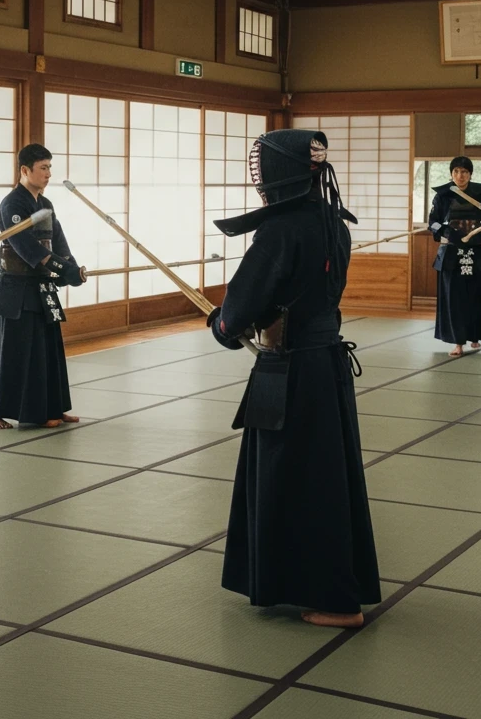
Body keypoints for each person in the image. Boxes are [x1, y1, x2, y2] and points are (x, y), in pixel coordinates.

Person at [208, 129, 380, 628]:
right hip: (325, 364)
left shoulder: (280, 231)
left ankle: (335, 600)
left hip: (289, 372)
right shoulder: (333, 221)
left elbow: (239, 310)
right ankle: (316, 588)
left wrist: (223, 325)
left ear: (279, 173)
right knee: (322, 477)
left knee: (297, 479)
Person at [0, 144, 86, 430]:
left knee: (48, 348)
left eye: (50, 167)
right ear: (25, 170)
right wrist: (62, 268)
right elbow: (27, 248)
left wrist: (72, 268)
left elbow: (59, 242)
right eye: (43, 168)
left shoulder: (45, 204)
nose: (48, 173)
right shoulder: (12, 205)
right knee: (12, 351)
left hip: (42, 285)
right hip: (16, 288)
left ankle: (52, 407)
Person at [428, 157, 481, 357]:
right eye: (457, 171)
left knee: (476, 297)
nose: (460, 176)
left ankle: (474, 336)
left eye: (465, 172)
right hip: (451, 252)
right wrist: (446, 231)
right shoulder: (443, 196)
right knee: (454, 299)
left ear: (470, 174)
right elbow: (432, 222)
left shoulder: (480, 195)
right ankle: (458, 342)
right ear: (451, 173)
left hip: (475, 252)